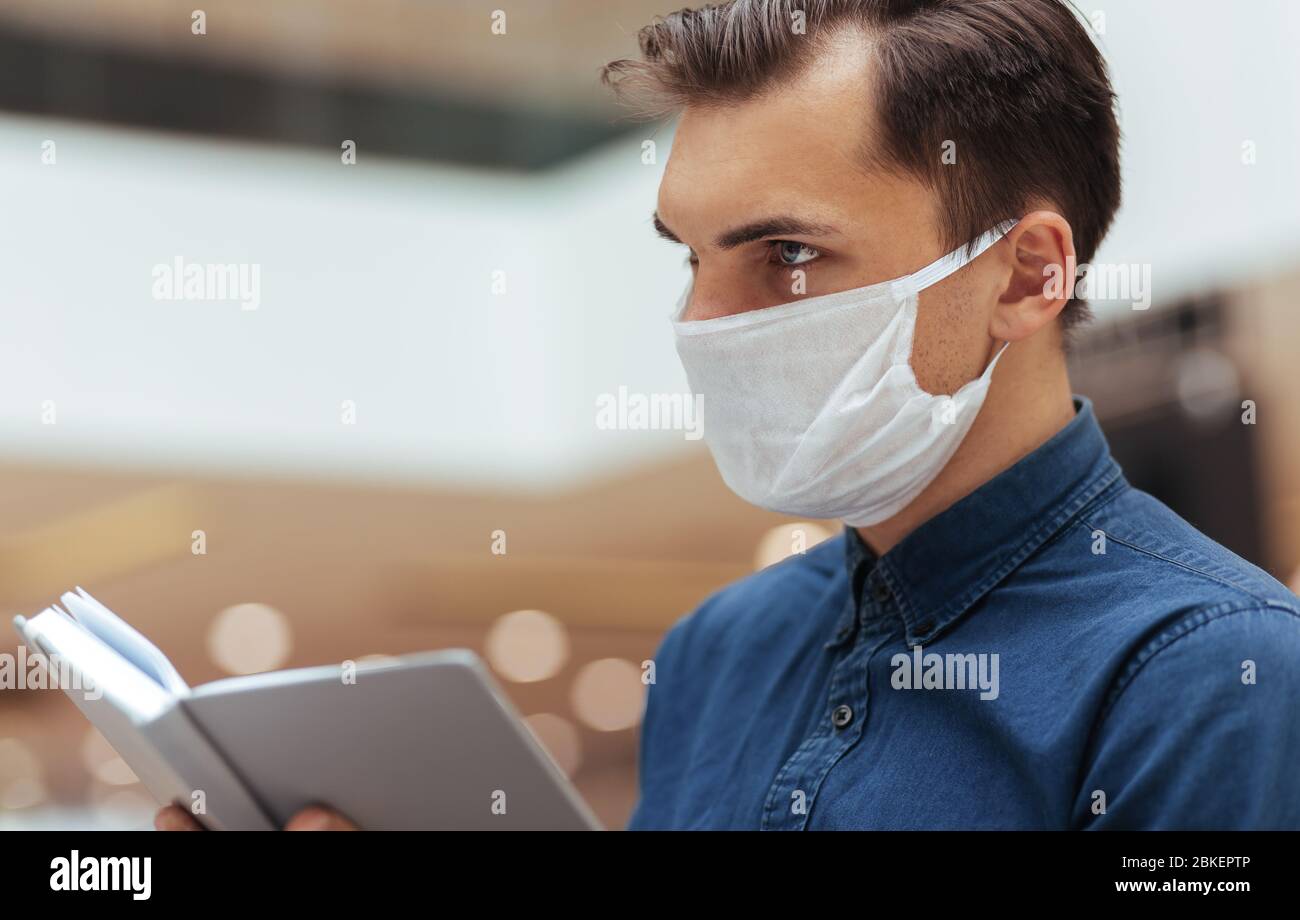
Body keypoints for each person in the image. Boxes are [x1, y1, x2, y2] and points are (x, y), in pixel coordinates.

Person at [158, 0, 1300, 832]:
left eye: (786, 255)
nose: (704, 322)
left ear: (1023, 276)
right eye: (692, 259)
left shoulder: (1210, 679)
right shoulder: (717, 651)